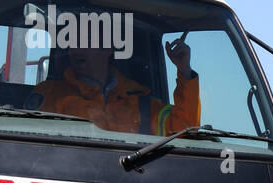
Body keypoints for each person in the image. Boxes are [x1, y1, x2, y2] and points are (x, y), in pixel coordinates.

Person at [35, 34, 200, 135]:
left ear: (108, 49)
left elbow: (185, 132)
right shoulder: (50, 94)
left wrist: (185, 71)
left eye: (85, 42)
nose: (76, 50)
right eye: (72, 44)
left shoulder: (143, 103)